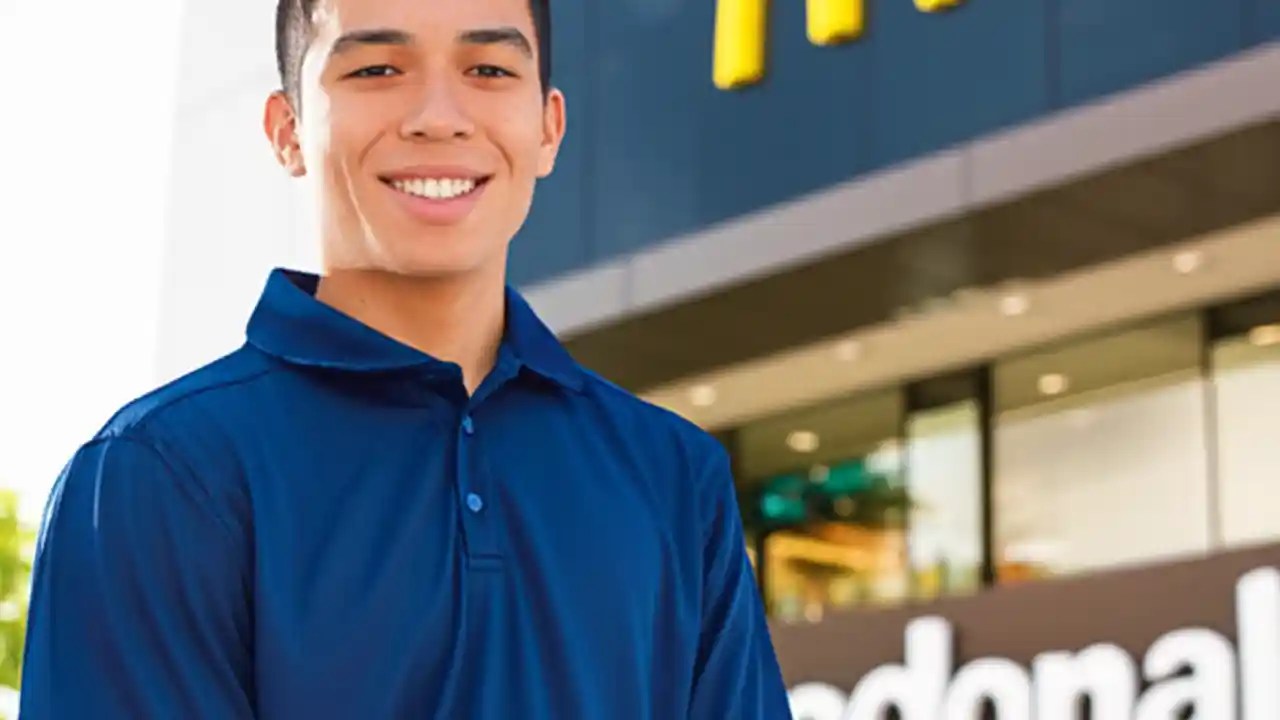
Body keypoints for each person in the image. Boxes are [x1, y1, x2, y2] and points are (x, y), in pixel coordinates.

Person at [19, 0, 792, 717]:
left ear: (549, 127)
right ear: (288, 129)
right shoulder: (161, 475)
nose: (438, 117)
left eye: (488, 70)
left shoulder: (673, 478)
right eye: (376, 70)